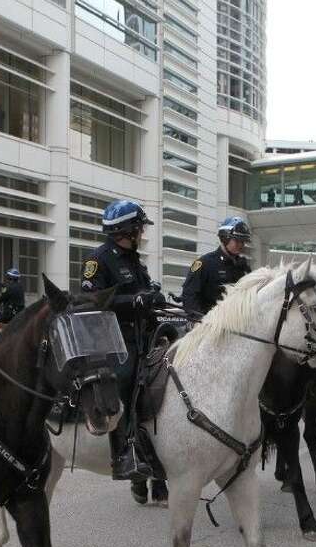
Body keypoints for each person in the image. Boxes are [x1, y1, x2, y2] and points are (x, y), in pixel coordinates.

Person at [79, 198, 161, 481]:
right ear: (128, 230)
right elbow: (92, 300)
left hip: (143, 335)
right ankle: (122, 454)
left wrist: (153, 297)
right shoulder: (98, 260)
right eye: (140, 227)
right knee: (123, 382)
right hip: (114, 340)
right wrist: (134, 301)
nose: (143, 232)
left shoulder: (134, 260)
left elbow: (144, 295)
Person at [181, 216, 252, 316]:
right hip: (210, 322)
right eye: (237, 241)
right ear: (225, 238)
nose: (241, 245)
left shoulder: (243, 267)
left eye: (243, 241)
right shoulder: (204, 263)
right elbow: (189, 295)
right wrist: (201, 320)